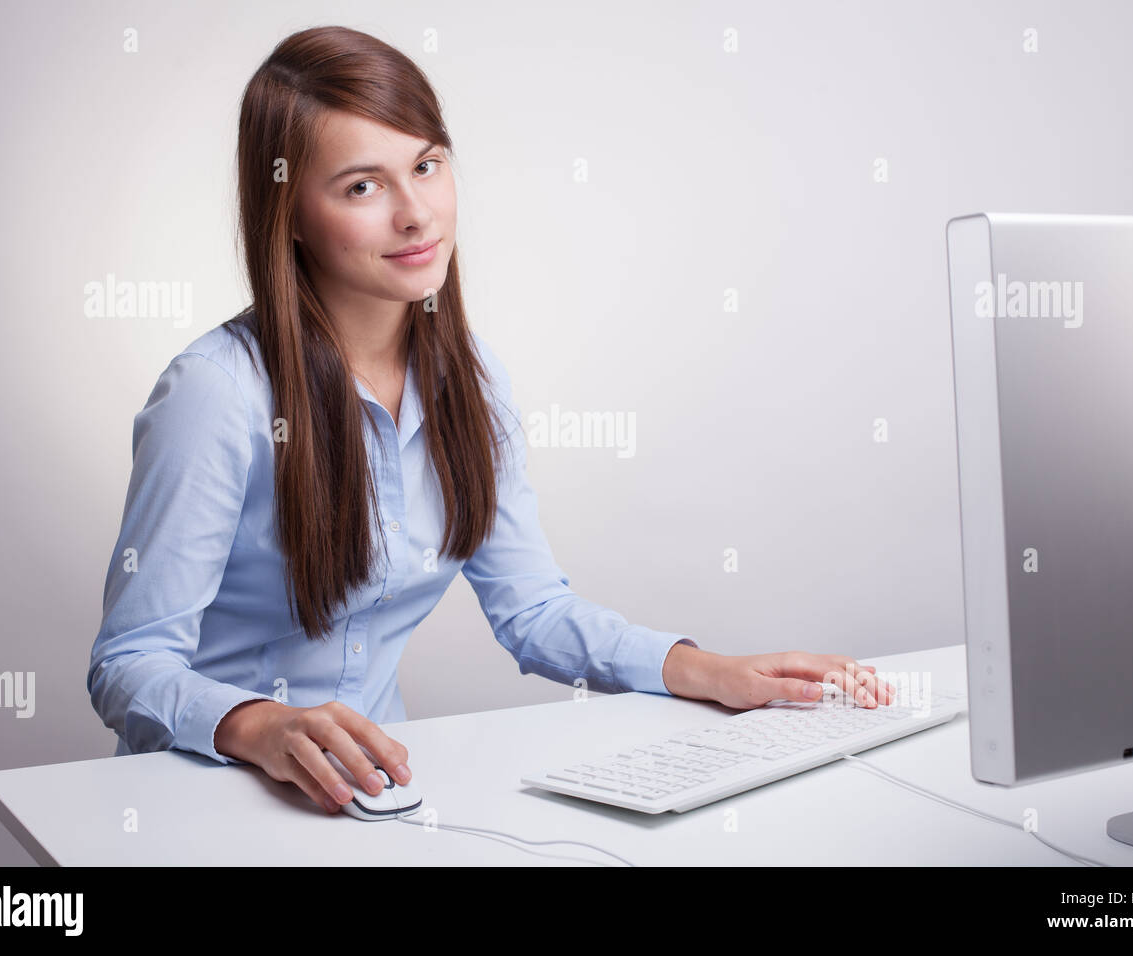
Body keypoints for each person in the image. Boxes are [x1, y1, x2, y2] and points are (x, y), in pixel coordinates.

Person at [87, 25, 894, 816]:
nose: (416, 214)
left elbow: (534, 612)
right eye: (362, 186)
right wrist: (258, 725)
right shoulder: (216, 394)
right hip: (200, 801)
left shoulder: (469, 379)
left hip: (371, 799)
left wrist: (710, 671)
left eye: (427, 166)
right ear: (290, 215)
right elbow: (129, 663)